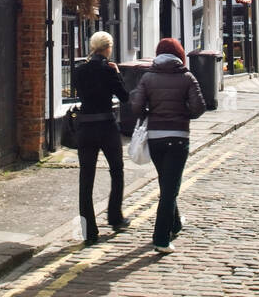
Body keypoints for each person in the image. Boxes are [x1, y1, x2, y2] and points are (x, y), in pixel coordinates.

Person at [131, 37, 206, 254]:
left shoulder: (147, 77)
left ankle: (175, 224)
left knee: (167, 184)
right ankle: (161, 239)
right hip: (178, 137)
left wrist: (151, 114)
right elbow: (199, 108)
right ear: (179, 54)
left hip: (155, 138)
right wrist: (183, 114)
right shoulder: (187, 77)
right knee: (169, 189)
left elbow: (136, 107)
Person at [74, 31, 130, 246]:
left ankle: (88, 232)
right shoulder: (109, 69)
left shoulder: (80, 70)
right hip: (106, 126)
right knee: (117, 170)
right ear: (108, 48)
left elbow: (82, 94)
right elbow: (124, 97)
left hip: (85, 127)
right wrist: (116, 74)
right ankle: (115, 217)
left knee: (86, 178)